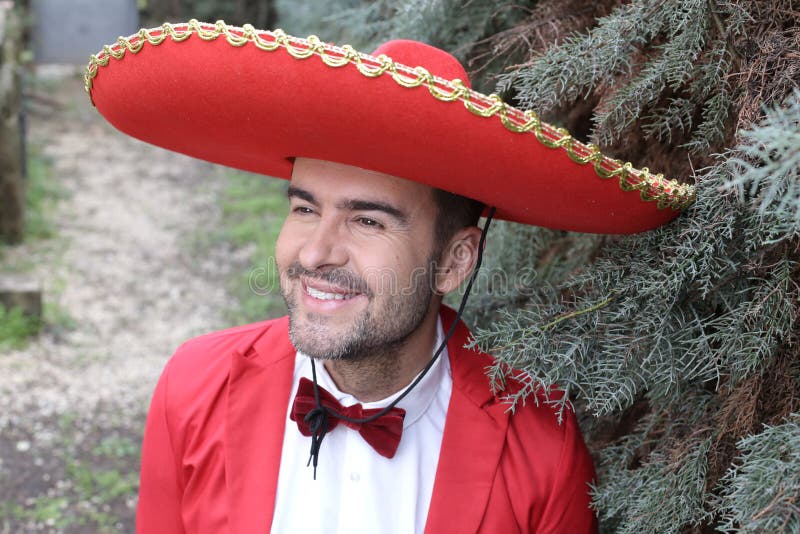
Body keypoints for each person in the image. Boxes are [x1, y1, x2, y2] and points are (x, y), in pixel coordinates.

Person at [85, 19, 693, 534]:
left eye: (369, 222)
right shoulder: (194, 388)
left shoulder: (539, 451)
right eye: (304, 208)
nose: (316, 252)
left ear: (455, 261)